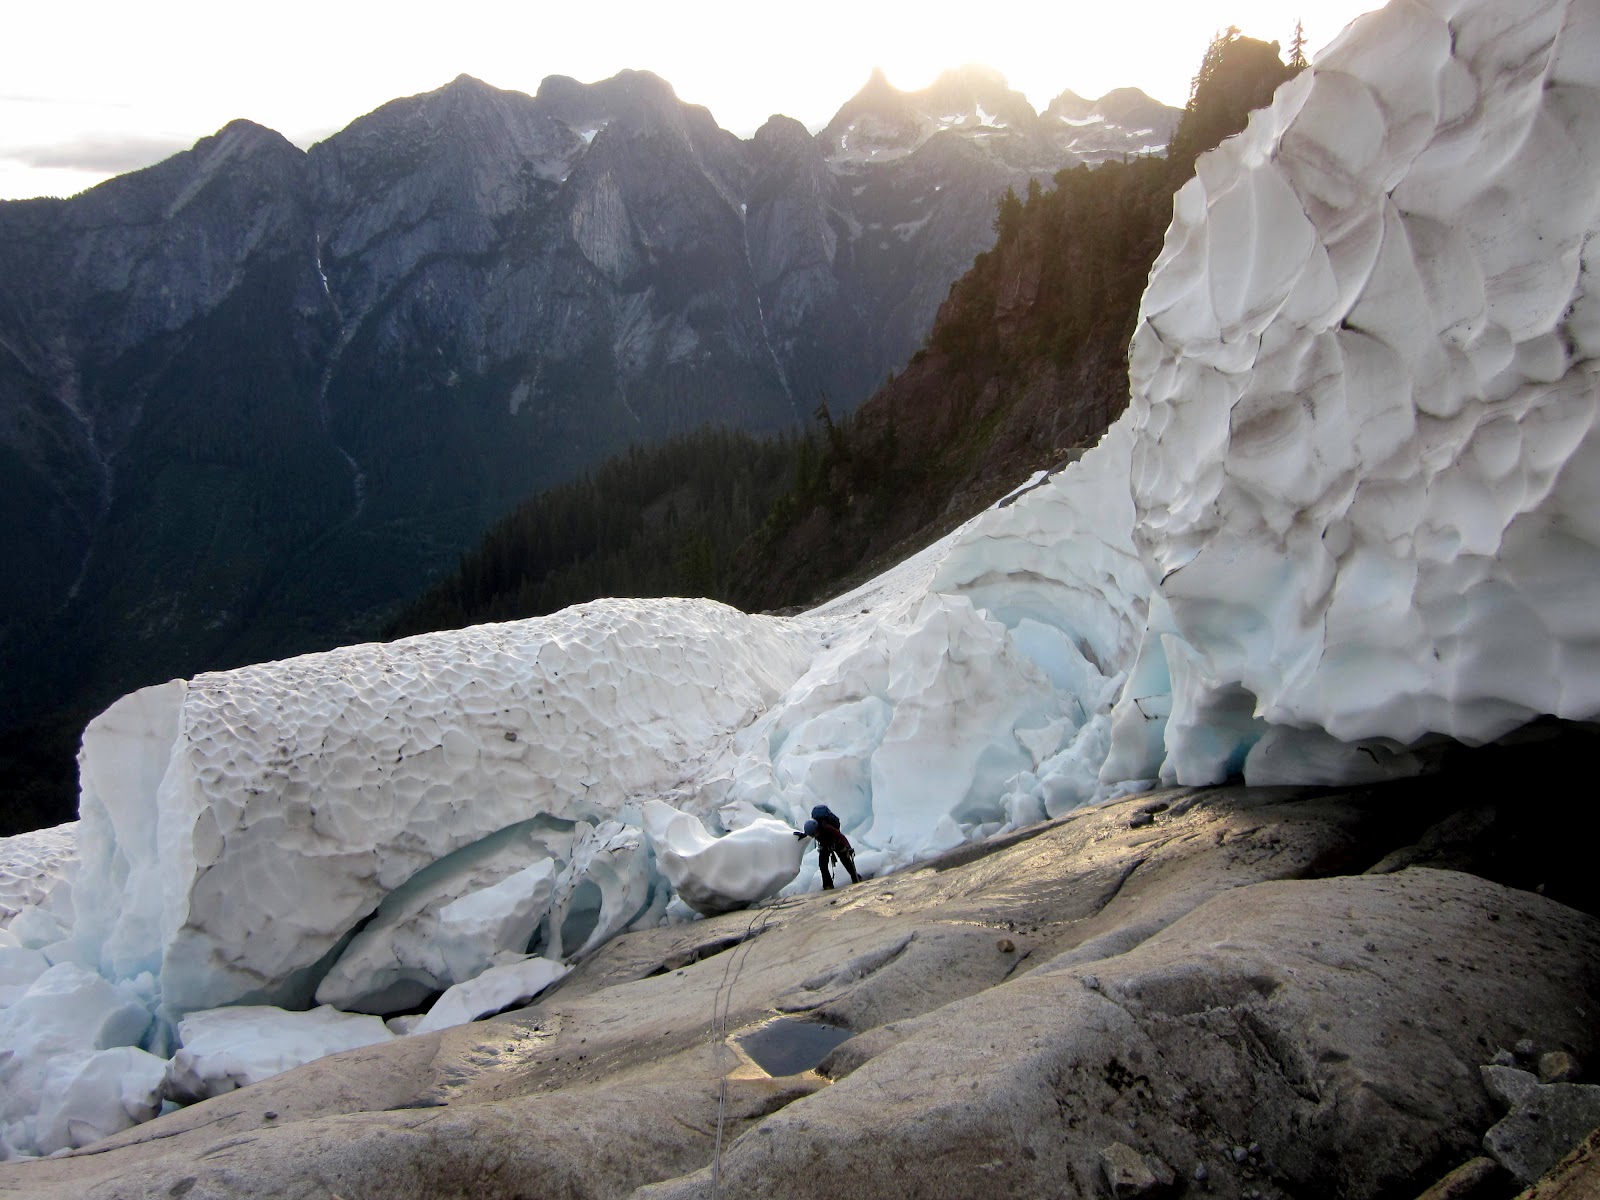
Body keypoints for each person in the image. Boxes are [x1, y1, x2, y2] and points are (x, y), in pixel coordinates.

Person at [794, 804, 861, 889]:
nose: (814, 836)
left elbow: (841, 836)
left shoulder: (827, 828)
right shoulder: (814, 829)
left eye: (814, 835)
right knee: (822, 865)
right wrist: (803, 835)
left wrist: (848, 847)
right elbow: (810, 833)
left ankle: (855, 878)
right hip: (825, 845)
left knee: (846, 861)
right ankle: (827, 885)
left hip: (836, 843)